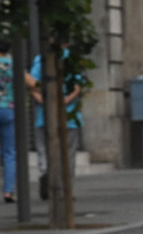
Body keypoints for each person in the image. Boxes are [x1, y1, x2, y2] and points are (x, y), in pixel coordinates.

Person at [27, 50, 84, 201]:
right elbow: (78, 87)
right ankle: (66, 189)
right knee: (69, 156)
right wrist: (63, 101)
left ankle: (48, 179)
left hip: (44, 117)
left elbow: (32, 85)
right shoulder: (72, 59)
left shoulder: (41, 59)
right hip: (69, 118)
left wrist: (46, 101)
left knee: (43, 152)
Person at [0, 41, 14, 204]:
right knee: (10, 153)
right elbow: (32, 82)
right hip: (9, 109)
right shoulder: (12, 65)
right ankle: (8, 191)